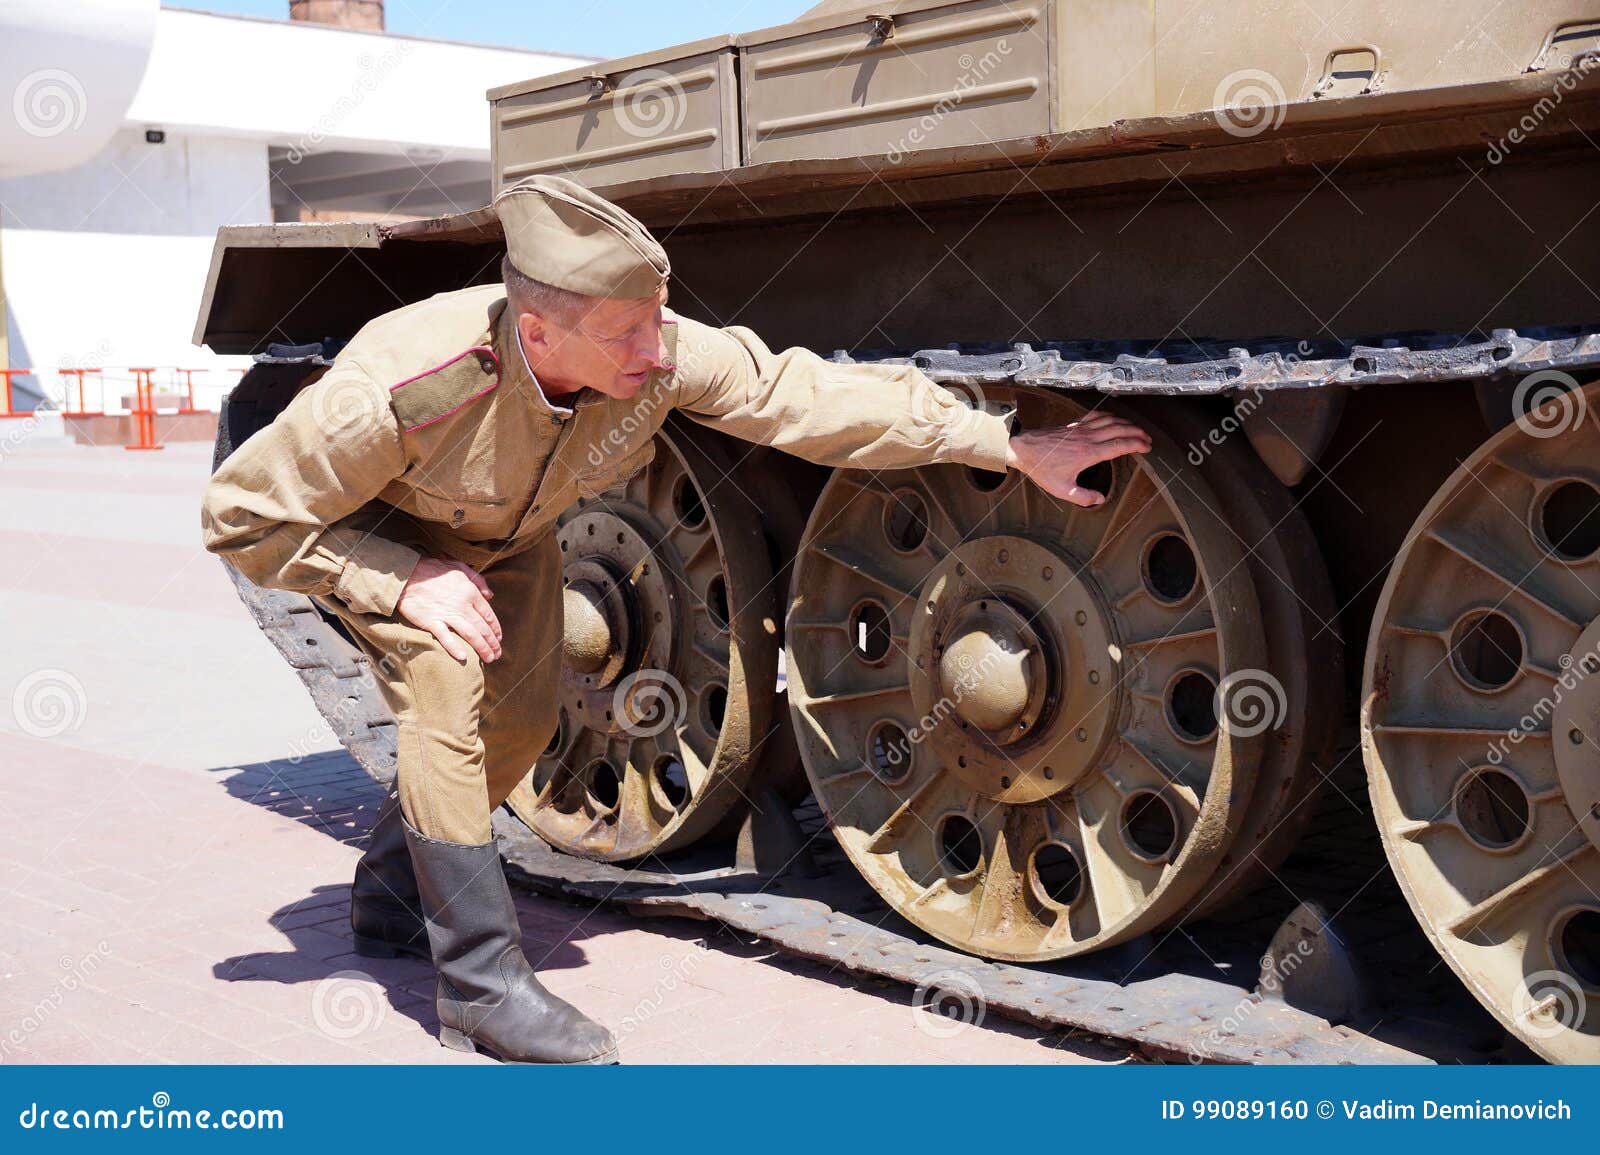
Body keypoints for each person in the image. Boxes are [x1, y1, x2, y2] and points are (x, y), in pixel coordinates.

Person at [200, 175, 1152, 1064]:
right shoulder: (406, 387)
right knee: (447, 693)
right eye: (624, 335)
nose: (654, 353)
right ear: (537, 332)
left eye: (655, 324)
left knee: (526, 724)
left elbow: (799, 397)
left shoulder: (656, 353)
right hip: (382, 540)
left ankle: (392, 891)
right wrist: (404, 582)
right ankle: (481, 986)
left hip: (510, 539)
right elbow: (238, 514)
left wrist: (1006, 442)